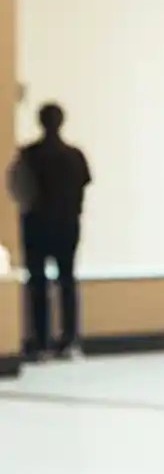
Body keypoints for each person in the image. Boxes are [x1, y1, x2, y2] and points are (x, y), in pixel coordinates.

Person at [17, 103, 91, 360]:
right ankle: (69, 339)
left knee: (37, 283)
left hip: (36, 225)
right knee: (67, 281)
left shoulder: (28, 154)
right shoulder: (74, 156)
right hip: (67, 225)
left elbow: (18, 188)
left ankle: (39, 341)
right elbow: (83, 186)